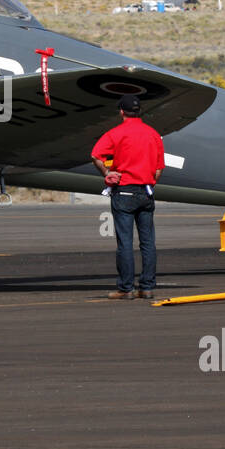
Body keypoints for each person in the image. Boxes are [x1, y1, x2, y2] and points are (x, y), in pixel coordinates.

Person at [91, 94, 164, 299]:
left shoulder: (115, 133)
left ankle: (126, 289)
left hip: (124, 191)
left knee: (125, 242)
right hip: (146, 192)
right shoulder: (153, 134)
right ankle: (147, 287)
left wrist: (107, 173)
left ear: (121, 112)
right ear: (139, 111)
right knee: (148, 242)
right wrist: (148, 180)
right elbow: (159, 169)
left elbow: (96, 155)